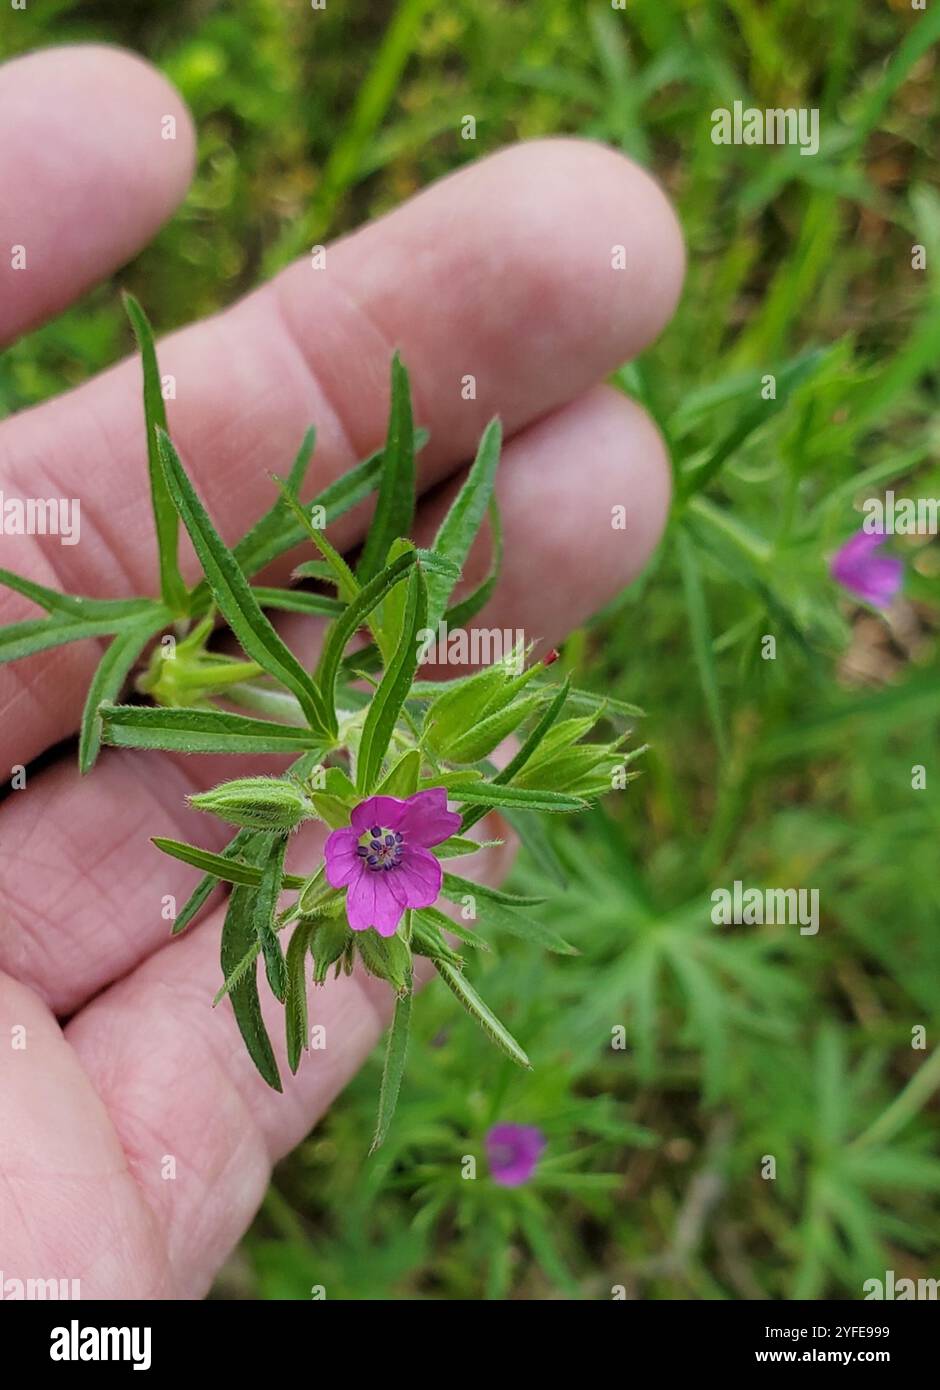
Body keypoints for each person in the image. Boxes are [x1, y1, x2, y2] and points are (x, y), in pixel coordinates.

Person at [0, 44, 683, 1297]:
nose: (380, 845)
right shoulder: (376, 809)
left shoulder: (377, 825)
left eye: (382, 842)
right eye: (379, 839)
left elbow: (367, 826)